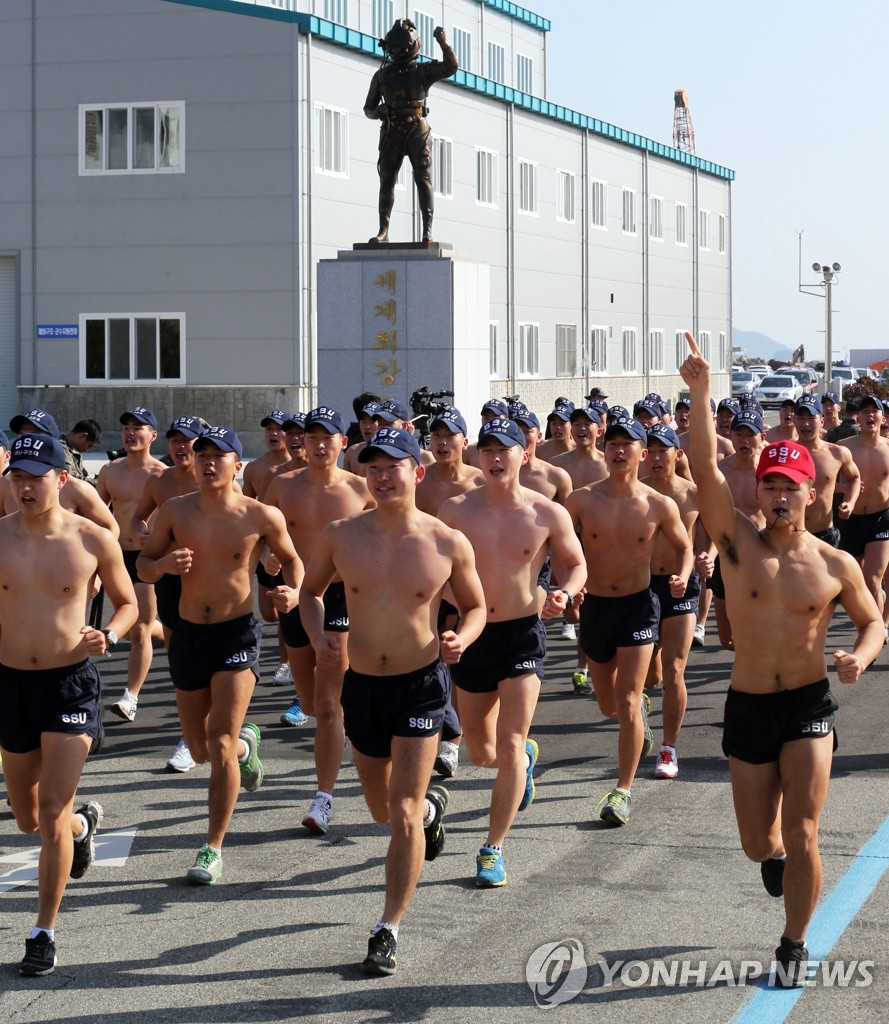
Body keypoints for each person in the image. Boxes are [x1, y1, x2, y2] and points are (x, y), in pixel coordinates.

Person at [680, 332, 883, 986]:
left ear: (808, 492)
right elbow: (706, 470)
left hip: (805, 706)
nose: (777, 495)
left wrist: (857, 654)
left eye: (788, 486)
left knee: (802, 832)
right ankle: (770, 859)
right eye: (768, 483)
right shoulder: (735, 544)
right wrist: (701, 392)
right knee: (756, 842)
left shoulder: (832, 563)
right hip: (746, 710)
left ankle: (793, 941)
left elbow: (873, 620)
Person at [300, 425, 486, 975]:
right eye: (373, 468)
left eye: (393, 466)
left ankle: (388, 927)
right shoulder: (340, 535)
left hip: (421, 685)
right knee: (384, 809)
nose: (381, 477)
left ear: (416, 472)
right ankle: (431, 811)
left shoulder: (445, 541)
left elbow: (476, 607)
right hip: (363, 687)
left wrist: (462, 638)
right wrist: (316, 638)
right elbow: (311, 592)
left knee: (401, 813)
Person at [137, 426, 302, 884]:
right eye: (201, 453)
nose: (207, 462)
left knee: (220, 741)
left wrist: (294, 589)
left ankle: (212, 846)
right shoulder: (174, 511)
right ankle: (248, 746)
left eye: (218, 455)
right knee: (199, 747)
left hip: (237, 634)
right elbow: (143, 565)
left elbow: (291, 558)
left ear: (237, 465)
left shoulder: (260, 515)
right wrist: (164, 565)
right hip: (189, 634)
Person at [0, 434, 138, 976]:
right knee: (28, 818)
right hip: (11, 685)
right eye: (18, 476)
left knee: (51, 810)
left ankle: (43, 930)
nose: (25, 486)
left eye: (36, 477)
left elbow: (127, 603)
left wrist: (110, 633)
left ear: (62, 479)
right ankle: (84, 829)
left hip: (70, 686)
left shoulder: (92, 540)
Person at [440, 418, 585, 886]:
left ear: (524, 453)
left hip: (524, 634)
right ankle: (522, 764)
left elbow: (577, 563)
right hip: (472, 634)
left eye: (505, 449)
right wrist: (442, 599)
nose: (495, 457)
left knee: (508, 741)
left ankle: (492, 848)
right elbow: (431, 562)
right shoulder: (456, 510)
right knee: (482, 753)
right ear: (477, 457)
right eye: (487, 450)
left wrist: (565, 592)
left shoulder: (547, 513)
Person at [566, 416, 691, 825]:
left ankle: (622, 791)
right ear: (605, 450)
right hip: (597, 610)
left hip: (640, 606)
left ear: (642, 452)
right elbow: (561, 548)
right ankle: (635, 721)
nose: (619, 451)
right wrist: (571, 585)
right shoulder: (581, 501)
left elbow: (684, 548)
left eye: (628, 444)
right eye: (613, 443)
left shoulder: (659, 505)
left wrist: (683, 576)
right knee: (607, 706)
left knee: (628, 699)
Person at [263, 407, 373, 832]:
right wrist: (266, 557)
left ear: (341, 443)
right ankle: (334, 728)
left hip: (341, 599)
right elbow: (259, 531)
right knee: (309, 704)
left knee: (328, 706)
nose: (320, 444)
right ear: (302, 443)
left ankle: (322, 799)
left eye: (328, 436)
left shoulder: (360, 489)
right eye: (312, 437)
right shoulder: (282, 485)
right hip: (295, 597)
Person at [130, 415, 210, 772]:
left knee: (212, 654)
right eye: (175, 440)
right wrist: (143, 532)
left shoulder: (216, 480)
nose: (181, 447)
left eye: (188, 441)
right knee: (179, 654)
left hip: (211, 579)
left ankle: (206, 732)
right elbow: (137, 518)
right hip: (169, 574)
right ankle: (191, 735)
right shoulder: (158, 481)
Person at [415, 408, 483, 776]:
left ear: (464, 441)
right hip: (425, 588)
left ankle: (452, 743)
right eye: (435, 436)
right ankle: (444, 734)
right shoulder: (419, 483)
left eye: (449, 435)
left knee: (455, 663)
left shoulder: (479, 482)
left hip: (469, 585)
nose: (441, 442)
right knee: (432, 662)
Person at [96, 408, 167, 724]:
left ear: (152, 435)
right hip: (113, 556)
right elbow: (95, 514)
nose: (129, 433)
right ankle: (169, 631)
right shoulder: (110, 470)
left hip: (146, 558)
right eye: (125, 427)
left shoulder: (162, 474)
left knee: (137, 628)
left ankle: (130, 697)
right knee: (129, 627)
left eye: (138, 427)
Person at [363, 20, 457, 244]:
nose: (398, 52)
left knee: (423, 177)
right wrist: (378, 111)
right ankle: (383, 230)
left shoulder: (422, 70)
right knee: (386, 178)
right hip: (391, 128)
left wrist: (444, 44)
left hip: (417, 128)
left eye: (403, 48)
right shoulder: (382, 75)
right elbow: (368, 108)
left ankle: (427, 230)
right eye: (394, 49)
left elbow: (451, 67)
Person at [642, 425, 701, 779]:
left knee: (674, 668)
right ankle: (643, 704)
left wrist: (703, 559)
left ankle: (668, 749)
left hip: (682, 583)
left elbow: (706, 539)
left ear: (677, 455)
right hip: (643, 585)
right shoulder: (636, 492)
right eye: (651, 450)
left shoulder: (693, 494)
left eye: (664, 450)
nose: (657, 456)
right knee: (650, 676)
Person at [242, 410, 296, 685]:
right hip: (268, 550)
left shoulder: (304, 466)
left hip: (296, 553)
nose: (275, 434)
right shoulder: (256, 469)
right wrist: (263, 553)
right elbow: (248, 515)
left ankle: (286, 663)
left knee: (289, 611)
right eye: (269, 429)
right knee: (269, 612)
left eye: (280, 429)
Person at [837, 396, 889, 637]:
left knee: (873, 579)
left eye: (874, 411)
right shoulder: (844, 447)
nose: (870, 415)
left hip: (882, 519)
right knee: (853, 585)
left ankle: (876, 633)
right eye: (865, 411)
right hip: (850, 520)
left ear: (882, 418)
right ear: (857, 417)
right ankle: (867, 623)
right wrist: (844, 492)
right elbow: (828, 480)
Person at [792, 395, 860, 547]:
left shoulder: (837, 453)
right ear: (794, 421)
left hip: (825, 535)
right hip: (791, 534)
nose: (806, 423)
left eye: (811, 418)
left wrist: (850, 502)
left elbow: (854, 477)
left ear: (821, 421)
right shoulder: (785, 452)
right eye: (801, 418)